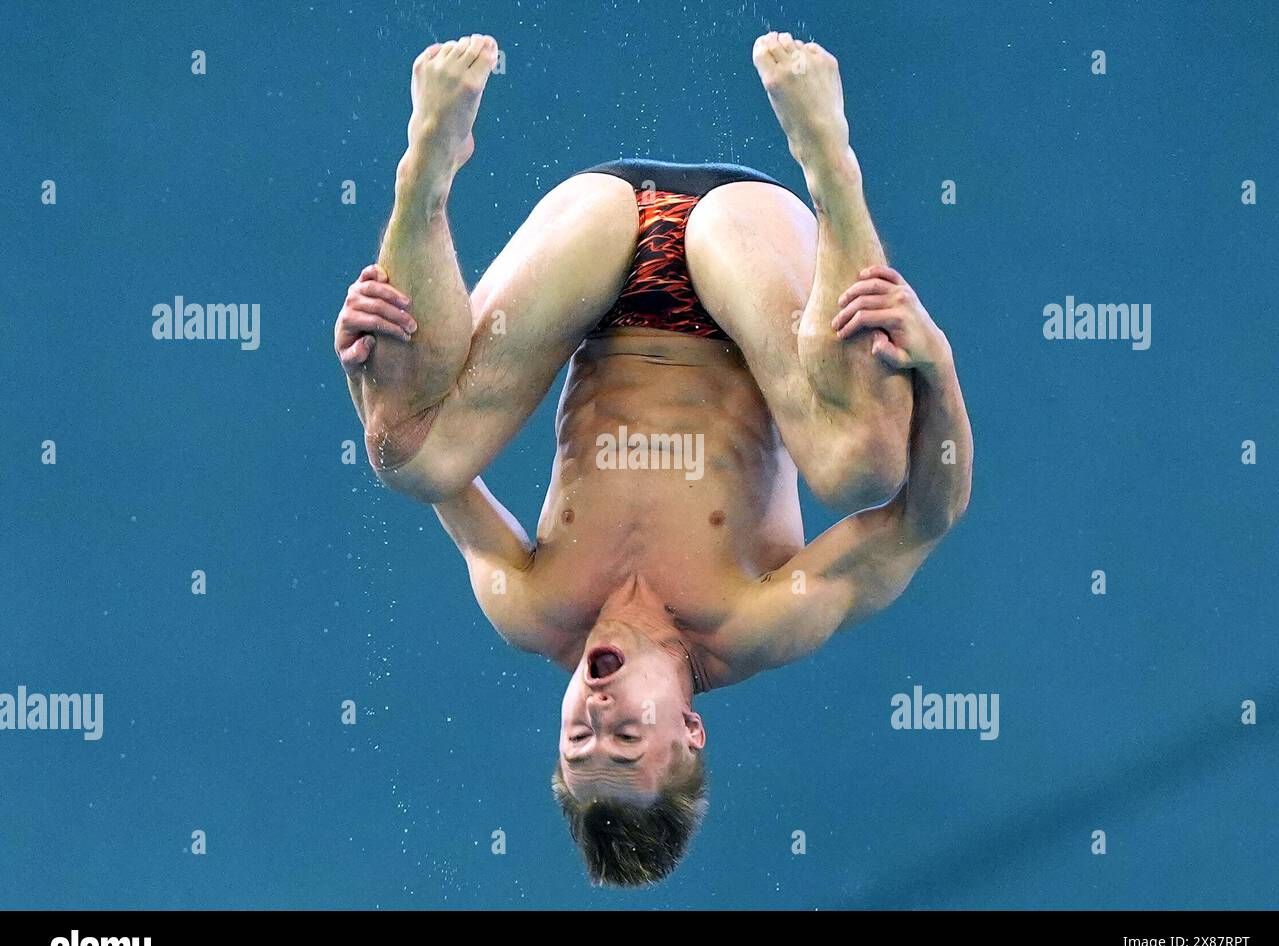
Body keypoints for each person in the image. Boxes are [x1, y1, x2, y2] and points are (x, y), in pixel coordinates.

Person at [334, 31, 973, 886]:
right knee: (866, 466)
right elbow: (925, 519)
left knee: (412, 462)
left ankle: (425, 171)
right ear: (688, 731)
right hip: (743, 255)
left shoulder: (532, 608)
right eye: (626, 736)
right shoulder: (757, 621)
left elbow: (409, 447)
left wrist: (369, 383)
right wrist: (936, 363)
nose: (597, 713)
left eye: (577, 737)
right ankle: (832, 166)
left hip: (595, 246)